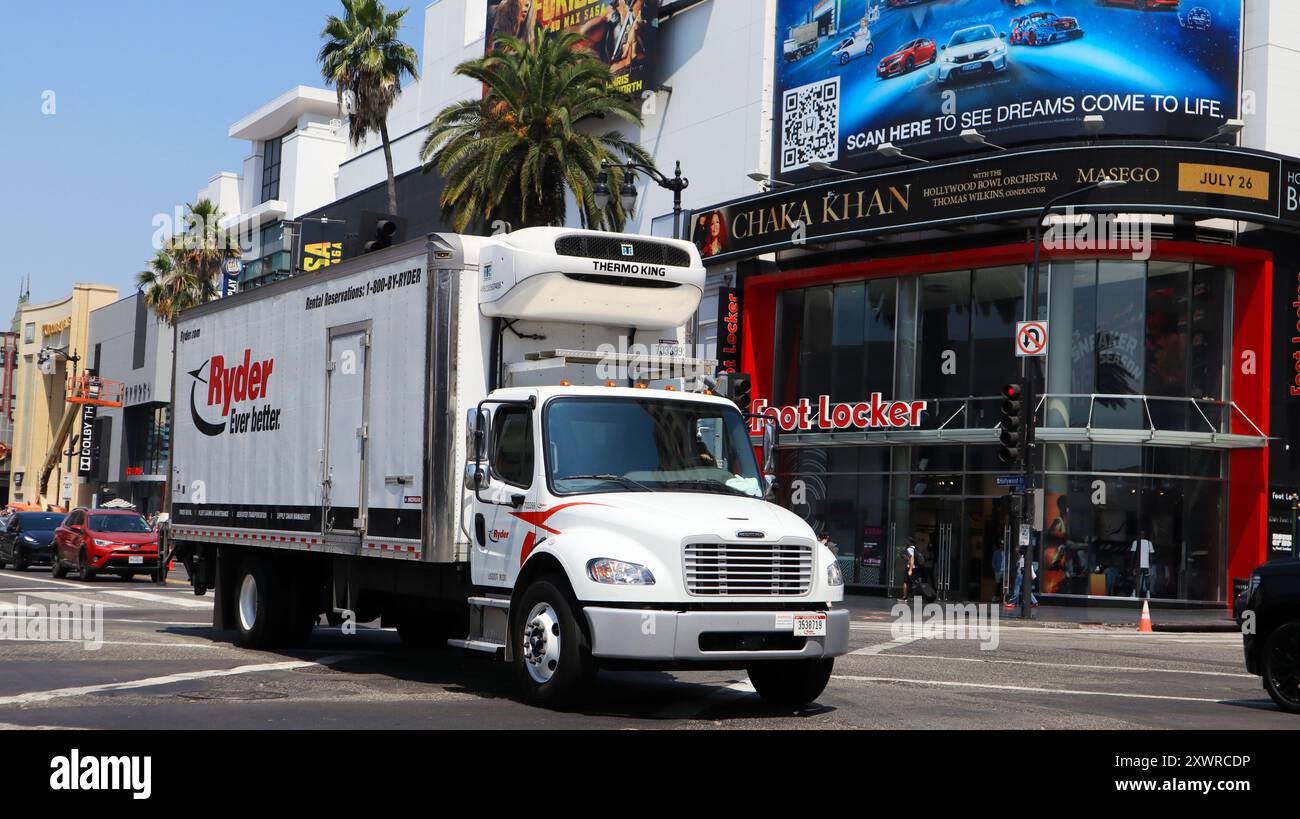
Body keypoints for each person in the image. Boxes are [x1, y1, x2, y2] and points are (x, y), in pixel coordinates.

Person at [1130, 530, 1155, 598]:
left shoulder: (1135, 542)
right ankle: (1148, 593)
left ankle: (1134, 592)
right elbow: (1151, 555)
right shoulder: (1149, 543)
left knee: (1136, 578)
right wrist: (1151, 563)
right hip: (1146, 565)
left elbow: (1133, 554)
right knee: (1147, 578)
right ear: (1144, 535)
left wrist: (1132, 564)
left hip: (1138, 565)